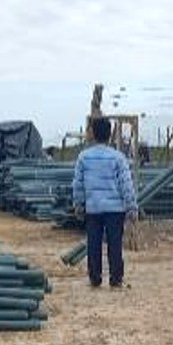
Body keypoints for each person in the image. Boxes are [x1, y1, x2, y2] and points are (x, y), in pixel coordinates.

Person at [72, 117, 139, 288]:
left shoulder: (84, 157)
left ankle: (95, 278)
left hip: (93, 208)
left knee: (93, 244)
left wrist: (78, 204)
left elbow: (78, 184)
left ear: (93, 134)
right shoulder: (118, 158)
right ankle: (116, 278)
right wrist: (131, 206)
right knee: (114, 243)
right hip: (115, 209)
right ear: (110, 135)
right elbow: (126, 184)